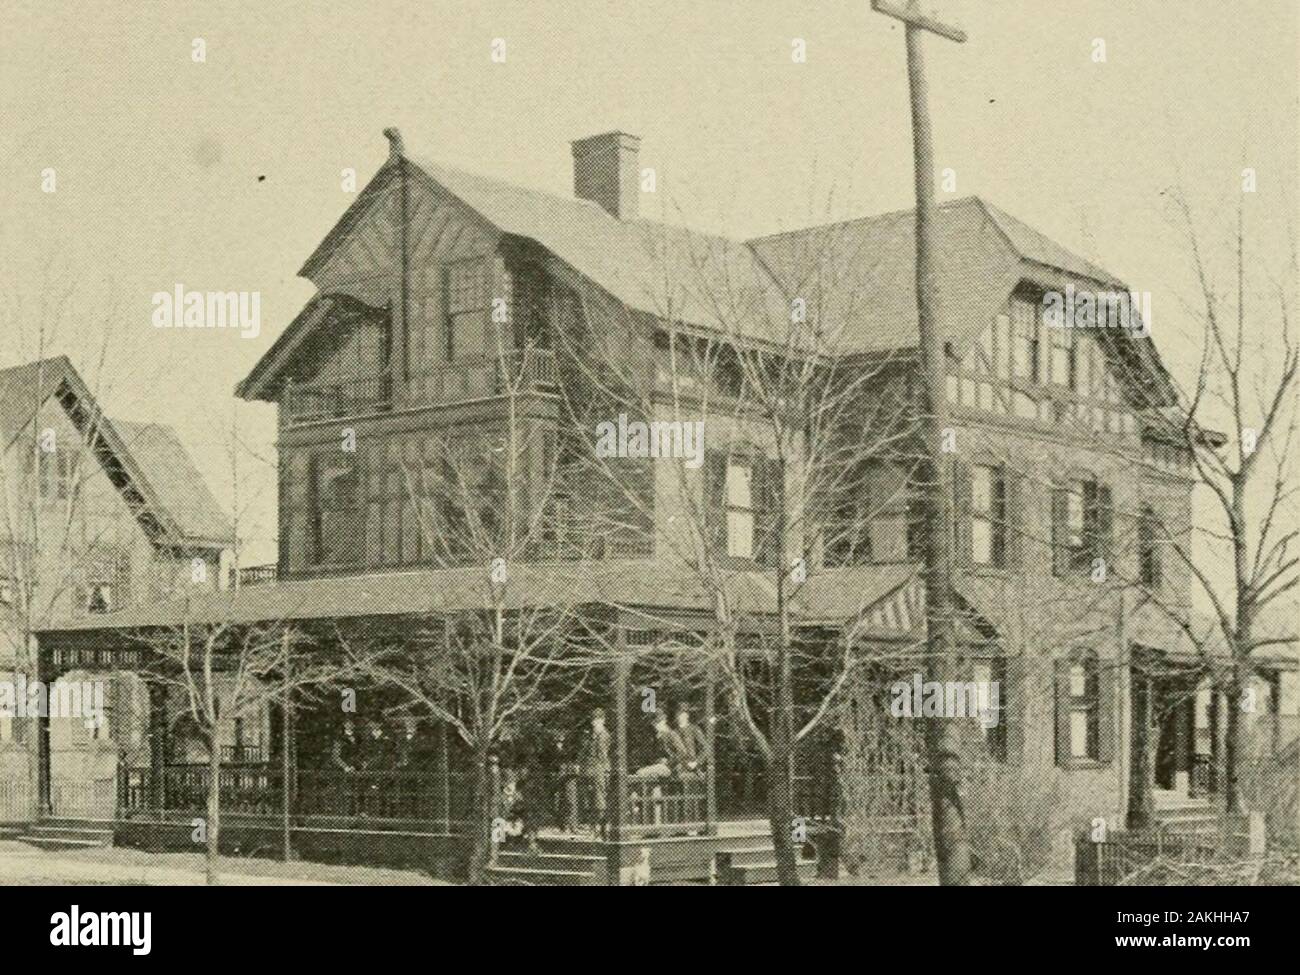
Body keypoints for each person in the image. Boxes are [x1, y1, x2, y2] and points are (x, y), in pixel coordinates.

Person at [578, 708, 612, 836]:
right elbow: (585, 753)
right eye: (593, 720)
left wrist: (601, 770)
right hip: (590, 771)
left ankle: (601, 829)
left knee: (600, 799)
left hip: (599, 770)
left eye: (597, 721)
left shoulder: (604, 735)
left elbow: (602, 755)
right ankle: (594, 828)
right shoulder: (590, 735)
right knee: (590, 799)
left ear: (602, 721)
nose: (594, 723)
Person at [675, 705, 709, 775]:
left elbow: (706, 748)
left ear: (687, 715)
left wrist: (697, 762)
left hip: (693, 768)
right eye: (678, 713)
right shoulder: (674, 731)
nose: (680, 716)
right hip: (678, 767)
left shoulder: (694, 729)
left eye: (682, 713)